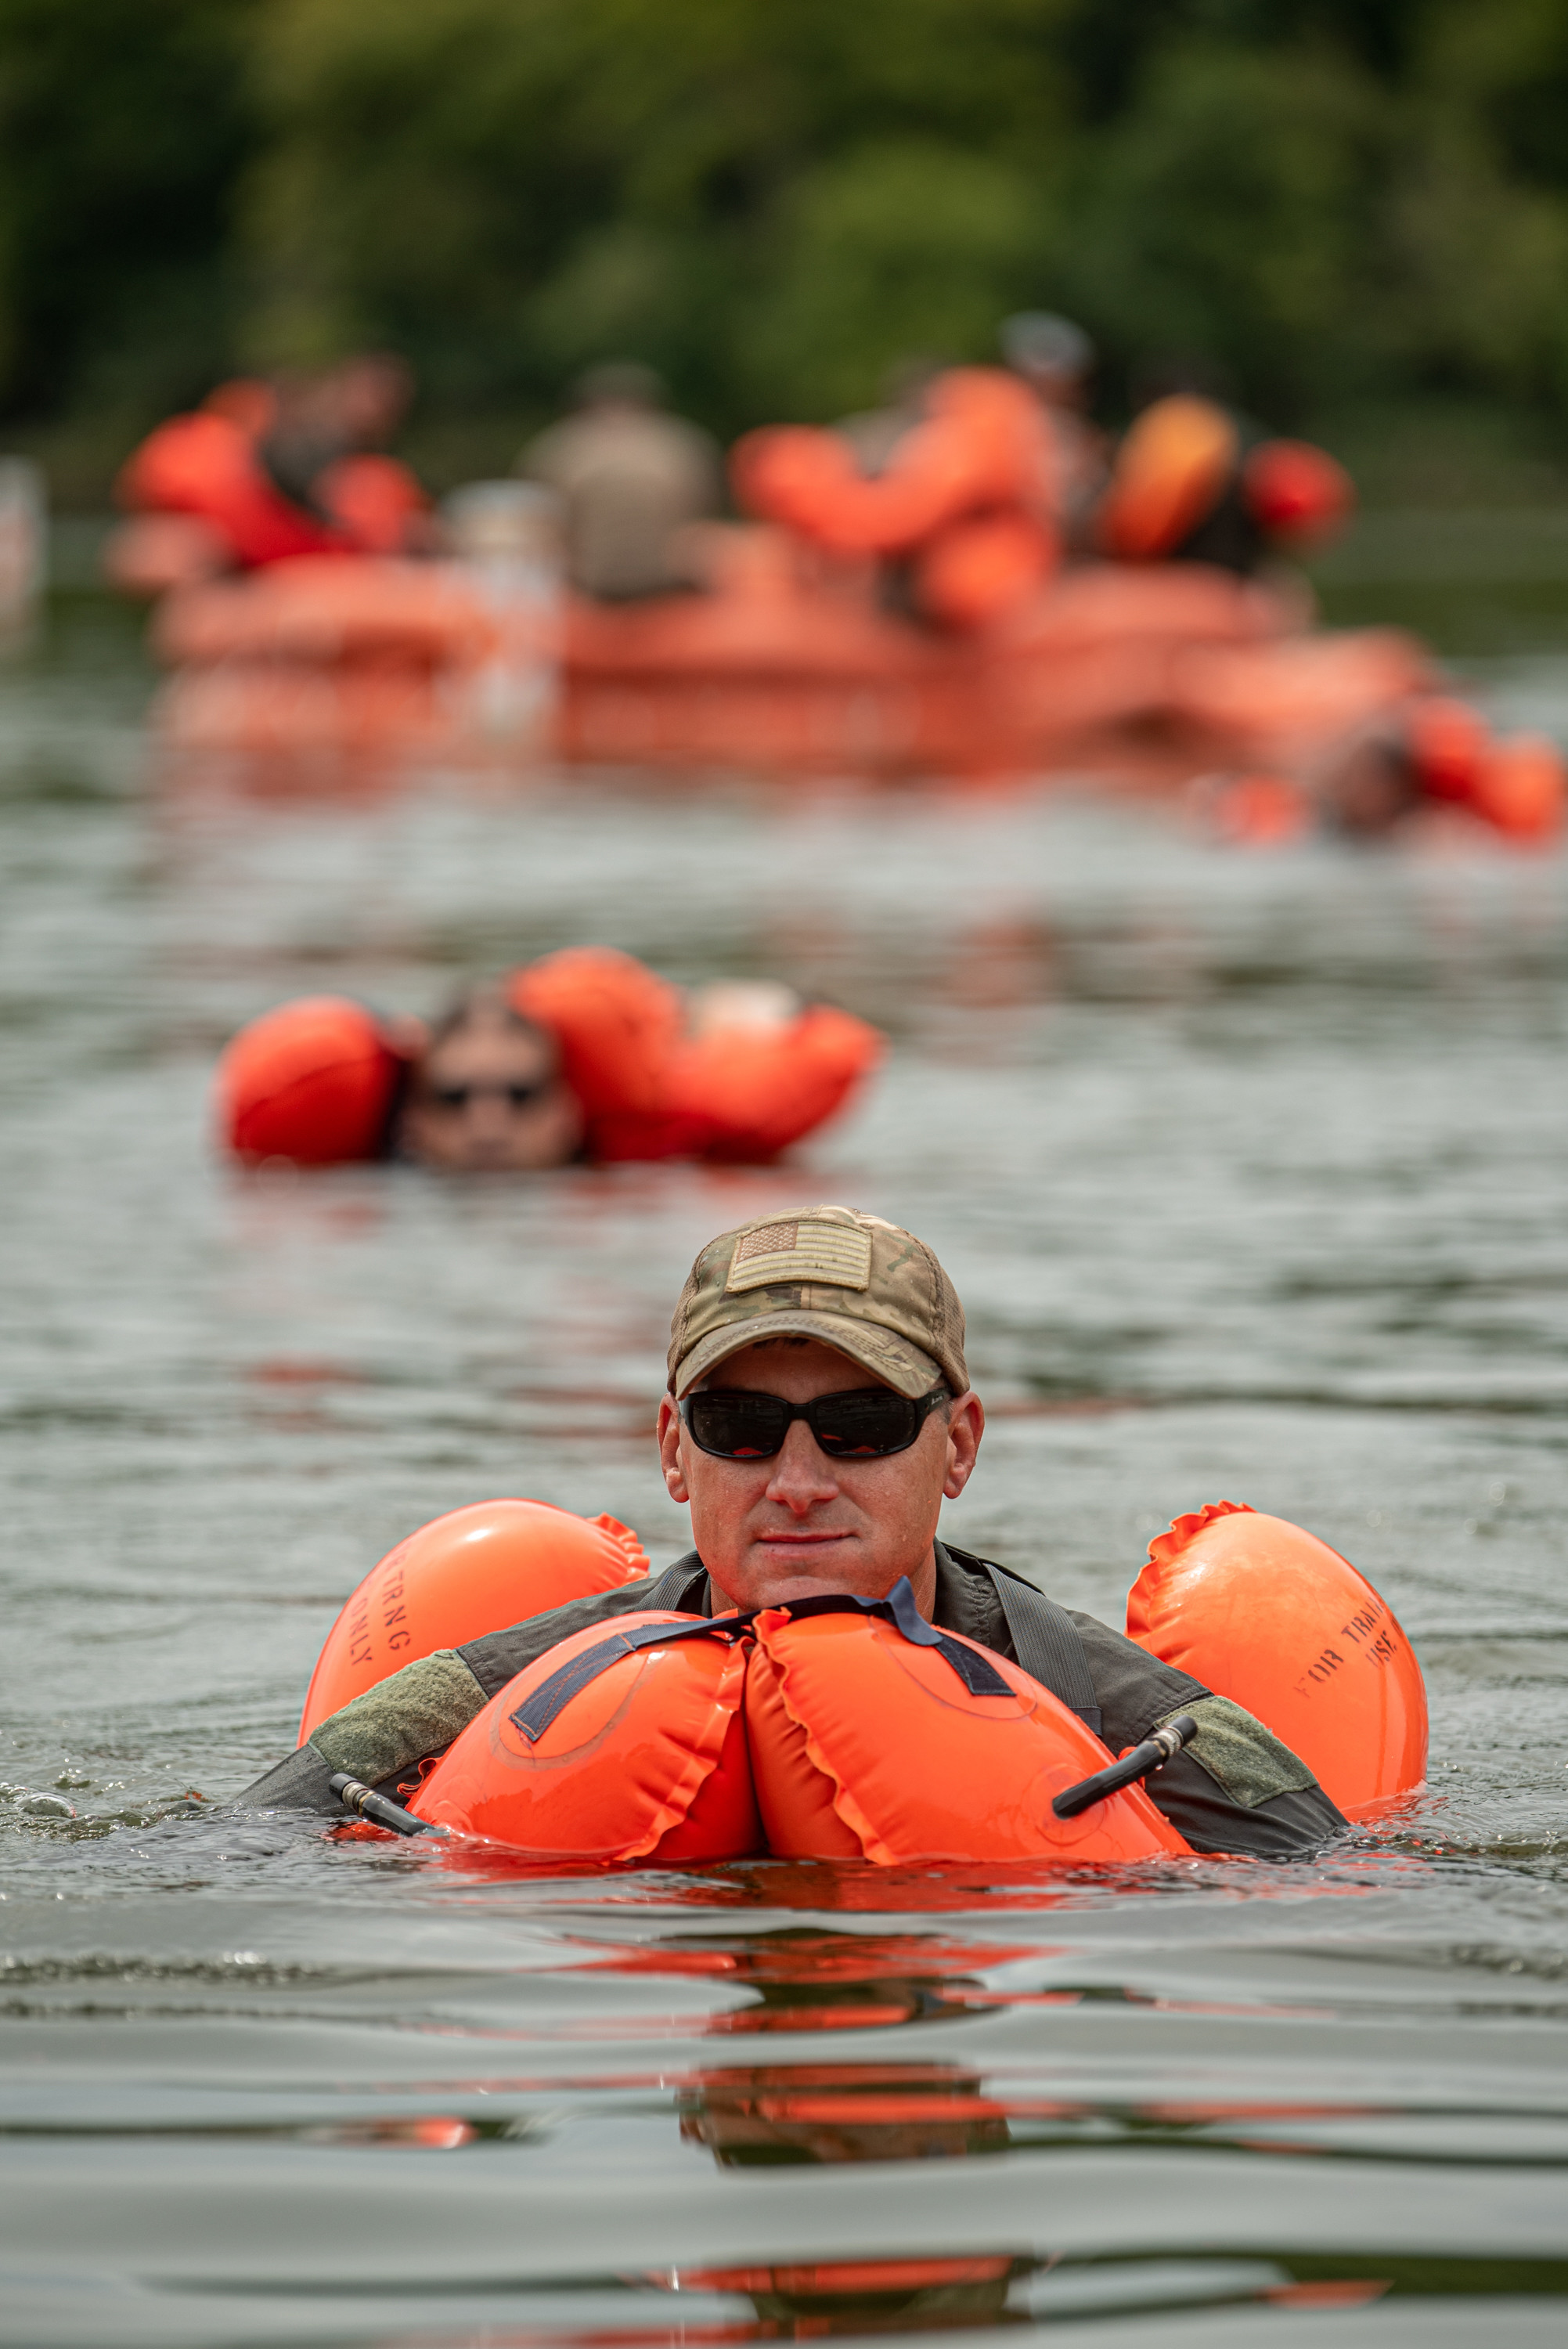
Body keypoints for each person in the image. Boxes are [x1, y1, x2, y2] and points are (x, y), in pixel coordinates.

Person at [239, 1203, 1346, 1858]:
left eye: (860, 1426)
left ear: (956, 1445)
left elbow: (1341, 1888)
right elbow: (230, 1855)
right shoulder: (509, 1687)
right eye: (742, 1427)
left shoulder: (1115, 1710)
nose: (798, 1480)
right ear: (674, 1452)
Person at [217, 947, 883, 1173]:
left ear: (566, 1112)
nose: (487, 1119)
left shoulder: (641, 1179)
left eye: (518, 1093)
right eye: (455, 1097)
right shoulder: (364, 1202)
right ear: (414, 1120)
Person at [519, 363, 722, 601]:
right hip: (669, 585)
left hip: (585, 588)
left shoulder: (557, 446)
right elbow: (703, 516)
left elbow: (536, 526)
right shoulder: (683, 443)